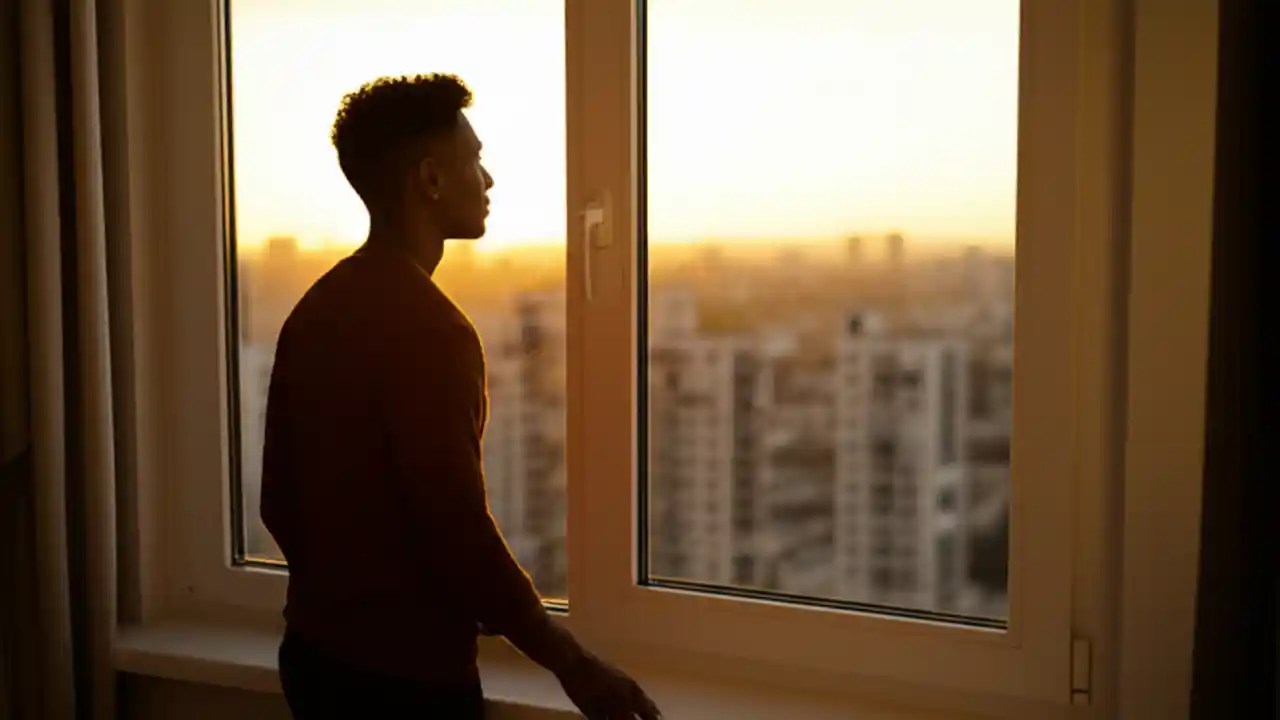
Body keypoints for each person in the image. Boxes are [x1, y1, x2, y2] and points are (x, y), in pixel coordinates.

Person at [261, 73, 661, 720]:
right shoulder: (432, 332)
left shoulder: (317, 308)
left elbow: (278, 502)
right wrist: (573, 664)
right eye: (474, 159)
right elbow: (459, 535)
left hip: (312, 657)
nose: (489, 179)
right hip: (405, 684)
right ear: (431, 180)